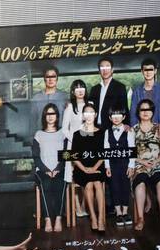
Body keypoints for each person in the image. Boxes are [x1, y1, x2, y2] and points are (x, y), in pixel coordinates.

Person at [130, 99, 160, 231]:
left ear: (152, 112)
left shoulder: (159, 128)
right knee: (140, 183)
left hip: (157, 163)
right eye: (142, 110)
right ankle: (141, 218)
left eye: (148, 109)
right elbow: (130, 153)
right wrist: (141, 162)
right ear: (138, 112)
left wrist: (156, 161)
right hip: (140, 164)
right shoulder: (133, 130)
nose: (145, 112)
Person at [71, 102, 106, 233]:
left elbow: (104, 153)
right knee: (89, 183)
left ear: (95, 115)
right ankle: (93, 218)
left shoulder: (102, 132)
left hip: (98, 166)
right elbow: (74, 156)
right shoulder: (77, 134)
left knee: (97, 182)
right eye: (86, 113)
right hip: (81, 169)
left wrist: (94, 167)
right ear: (83, 115)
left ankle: (101, 219)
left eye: (92, 112)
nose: (89, 115)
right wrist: (85, 169)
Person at [33, 104, 66, 232]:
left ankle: (58, 218)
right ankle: (47, 219)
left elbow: (66, 154)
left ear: (57, 116)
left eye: (53, 114)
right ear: (44, 116)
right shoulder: (39, 134)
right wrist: (46, 170)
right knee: (45, 184)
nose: (50, 117)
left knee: (60, 184)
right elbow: (35, 156)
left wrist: (58, 168)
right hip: (42, 170)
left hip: (59, 169)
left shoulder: (62, 133)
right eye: (48, 114)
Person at [103, 105, 134, 225]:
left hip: (125, 163)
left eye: (119, 116)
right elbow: (106, 150)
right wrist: (107, 167)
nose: (116, 118)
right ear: (110, 118)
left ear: (124, 117)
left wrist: (131, 165)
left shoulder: (128, 131)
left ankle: (125, 212)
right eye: (113, 116)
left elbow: (132, 148)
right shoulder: (107, 132)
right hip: (113, 164)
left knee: (125, 186)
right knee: (114, 187)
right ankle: (118, 213)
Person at [61, 80, 87, 218]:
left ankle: (84, 206)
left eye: (82, 87)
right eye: (76, 88)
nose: (80, 90)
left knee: (88, 176)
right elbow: (64, 129)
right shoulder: (70, 107)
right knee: (73, 178)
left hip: (89, 145)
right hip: (73, 146)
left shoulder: (91, 105)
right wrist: (75, 139)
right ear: (73, 91)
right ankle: (77, 207)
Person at [130, 58, 160, 138]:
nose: (148, 72)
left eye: (151, 69)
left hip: (158, 132)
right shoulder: (137, 91)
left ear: (155, 71)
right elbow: (133, 114)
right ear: (142, 71)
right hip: (141, 134)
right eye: (146, 70)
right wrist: (134, 135)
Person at [88, 56, 129, 128]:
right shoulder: (94, 89)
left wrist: (126, 124)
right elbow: (89, 107)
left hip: (112, 127)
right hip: (95, 127)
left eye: (107, 67)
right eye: (102, 68)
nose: (105, 70)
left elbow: (124, 108)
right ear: (99, 71)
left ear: (112, 70)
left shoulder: (120, 87)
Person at [30, 66, 62, 137]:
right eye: (48, 76)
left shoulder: (64, 96)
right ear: (44, 79)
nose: (50, 79)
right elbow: (32, 120)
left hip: (60, 135)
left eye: (53, 76)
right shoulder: (36, 97)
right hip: (41, 135)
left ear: (57, 78)